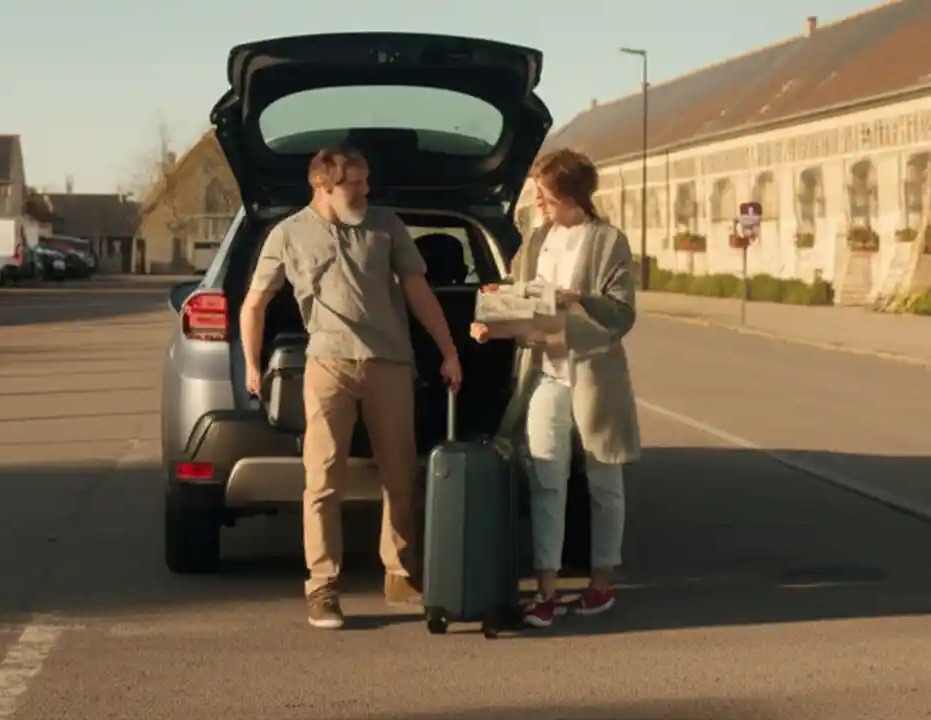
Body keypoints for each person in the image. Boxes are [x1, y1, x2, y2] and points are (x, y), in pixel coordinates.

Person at [240, 145, 463, 630]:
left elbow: (418, 291)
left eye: (365, 181)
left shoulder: (386, 225)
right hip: (327, 366)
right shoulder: (288, 234)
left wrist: (448, 350)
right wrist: (251, 365)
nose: (364, 191)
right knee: (321, 479)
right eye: (353, 184)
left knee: (400, 475)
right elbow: (254, 303)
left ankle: (401, 573)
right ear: (321, 185)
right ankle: (322, 586)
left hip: (389, 364)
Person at [471, 147, 641, 628]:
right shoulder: (537, 240)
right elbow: (514, 290)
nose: (538, 202)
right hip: (545, 373)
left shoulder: (608, 242)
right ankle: (545, 591)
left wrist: (575, 300)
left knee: (605, 482)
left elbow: (622, 314)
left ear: (568, 194)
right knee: (547, 477)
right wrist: (493, 312)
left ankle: (601, 583)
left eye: (543, 194)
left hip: (594, 376)